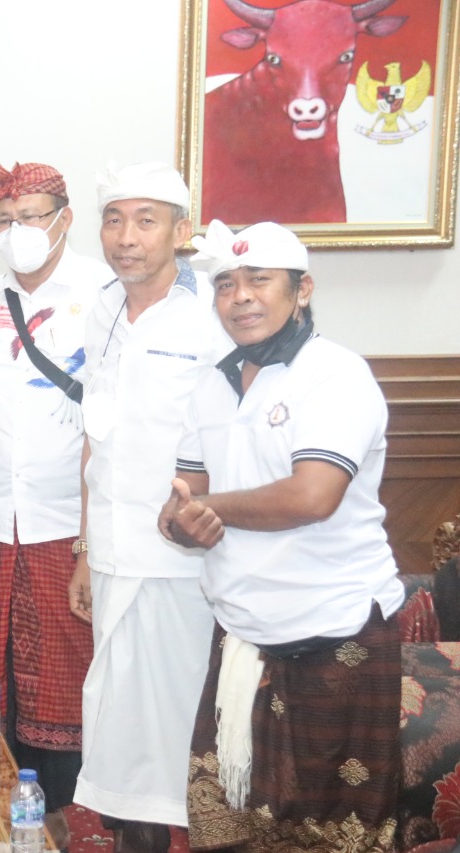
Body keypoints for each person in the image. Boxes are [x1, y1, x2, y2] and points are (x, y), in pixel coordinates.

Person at [160, 220, 404, 853]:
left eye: (259, 280)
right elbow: (182, 502)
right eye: (225, 284)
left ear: (302, 290)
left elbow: (311, 497)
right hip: (242, 631)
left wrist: (207, 508)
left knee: (332, 833)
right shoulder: (210, 384)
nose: (240, 296)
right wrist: (182, 522)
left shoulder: (336, 374)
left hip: (336, 634)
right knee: (234, 825)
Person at [0, 160, 112, 843]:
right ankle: (12, 806)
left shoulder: (105, 296)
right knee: (8, 670)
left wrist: (89, 541)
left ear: (65, 219)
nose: (17, 231)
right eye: (4, 220)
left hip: (70, 520)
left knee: (69, 672)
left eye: (31, 216)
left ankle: (67, 816)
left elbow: (117, 422)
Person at [70, 162, 227, 852]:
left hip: (180, 561)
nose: (126, 237)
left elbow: (236, 440)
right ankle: (137, 837)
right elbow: (95, 438)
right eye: (114, 220)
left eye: (145, 220)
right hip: (111, 550)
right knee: (117, 716)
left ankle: (180, 837)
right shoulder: (102, 309)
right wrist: (83, 548)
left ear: (180, 231)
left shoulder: (214, 315)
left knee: (176, 721)